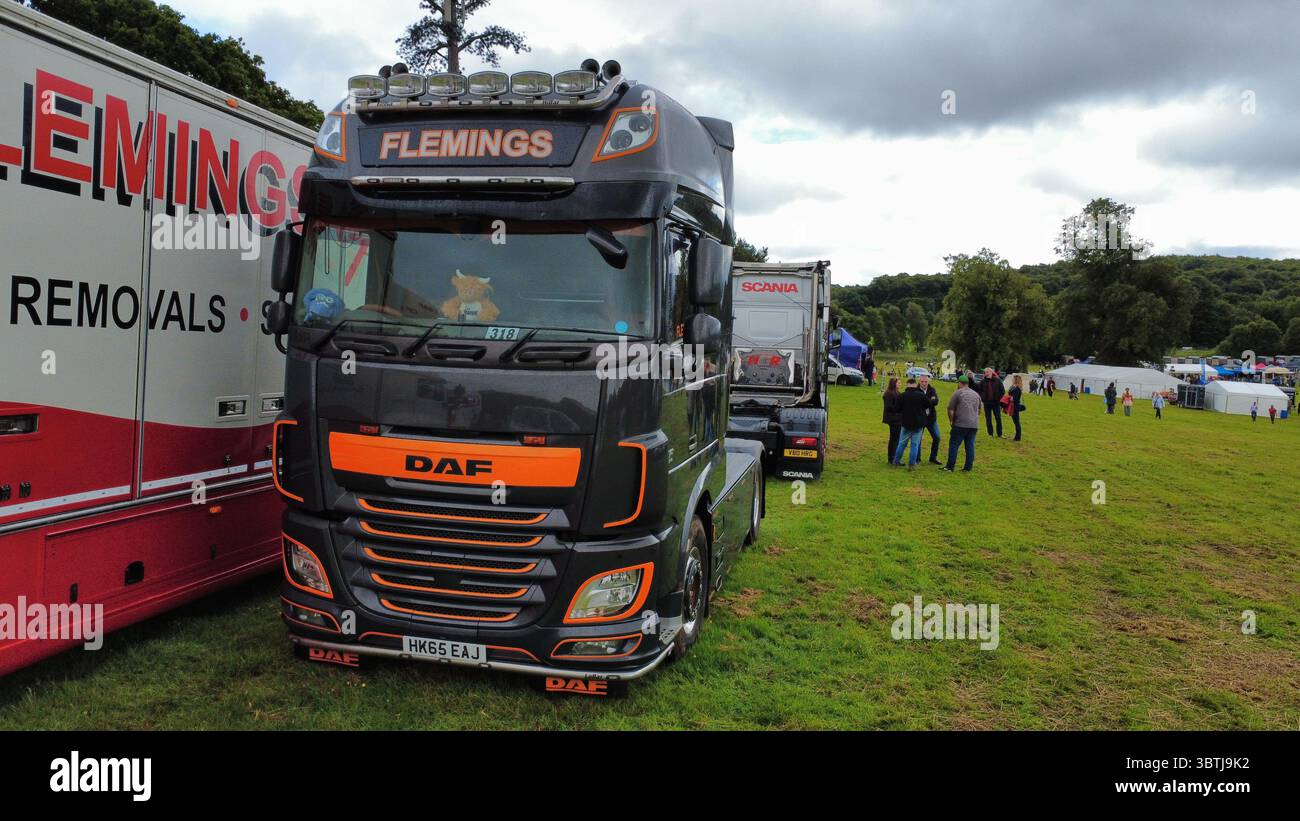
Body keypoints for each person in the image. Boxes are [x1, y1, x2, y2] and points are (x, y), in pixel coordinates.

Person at [943, 374, 981, 472]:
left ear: (960, 383)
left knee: (954, 445)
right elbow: (979, 410)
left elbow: (950, 409)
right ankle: (968, 468)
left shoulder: (958, 393)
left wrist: (951, 420)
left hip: (960, 424)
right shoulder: (976, 394)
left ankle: (950, 467)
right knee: (970, 446)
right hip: (973, 425)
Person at [893, 378, 929, 470]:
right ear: (915, 384)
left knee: (901, 444)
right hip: (918, 424)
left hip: (905, 423)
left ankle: (896, 462)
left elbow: (896, 409)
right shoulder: (921, 395)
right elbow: (928, 404)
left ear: (907, 384)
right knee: (915, 445)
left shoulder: (902, 396)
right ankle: (912, 465)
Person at [918, 374, 942, 465]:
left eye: (926, 382)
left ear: (928, 382)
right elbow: (918, 404)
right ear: (919, 381)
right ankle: (917, 458)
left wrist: (926, 402)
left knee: (937, 437)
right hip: (920, 419)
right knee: (918, 439)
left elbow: (936, 401)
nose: (924, 383)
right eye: (922, 381)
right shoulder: (916, 390)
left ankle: (933, 457)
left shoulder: (932, 390)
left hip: (931, 419)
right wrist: (930, 401)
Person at [978, 367, 1005, 437]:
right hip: (987, 403)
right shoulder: (982, 382)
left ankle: (1000, 434)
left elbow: (1002, 391)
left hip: (996, 403)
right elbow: (979, 390)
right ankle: (990, 433)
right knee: (988, 418)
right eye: (985, 372)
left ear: (991, 372)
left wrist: (999, 399)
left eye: (987, 372)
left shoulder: (997, 380)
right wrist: (982, 397)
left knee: (998, 418)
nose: (986, 373)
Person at [882, 377, 903, 464]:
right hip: (893, 419)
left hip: (896, 418)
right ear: (893, 383)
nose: (900, 384)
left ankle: (893, 457)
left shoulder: (896, 392)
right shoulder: (889, 393)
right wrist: (899, 409)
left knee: (895, 438)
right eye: (898, 383)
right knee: (894, 439)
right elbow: (889, 407)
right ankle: (892, 458)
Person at [1008, 374, 1025, 440]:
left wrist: (1011, 398)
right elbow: (1010, 393)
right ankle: (1017, 437)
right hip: (1014, 406)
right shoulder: (1014, 387)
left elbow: (1015, 399)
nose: (1012, 380)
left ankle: (1018, 437)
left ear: (1016, 380)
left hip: (1015, 406)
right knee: (1016, 422)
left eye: (1013, 379)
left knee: (1016, 422)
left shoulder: (1017, 388)